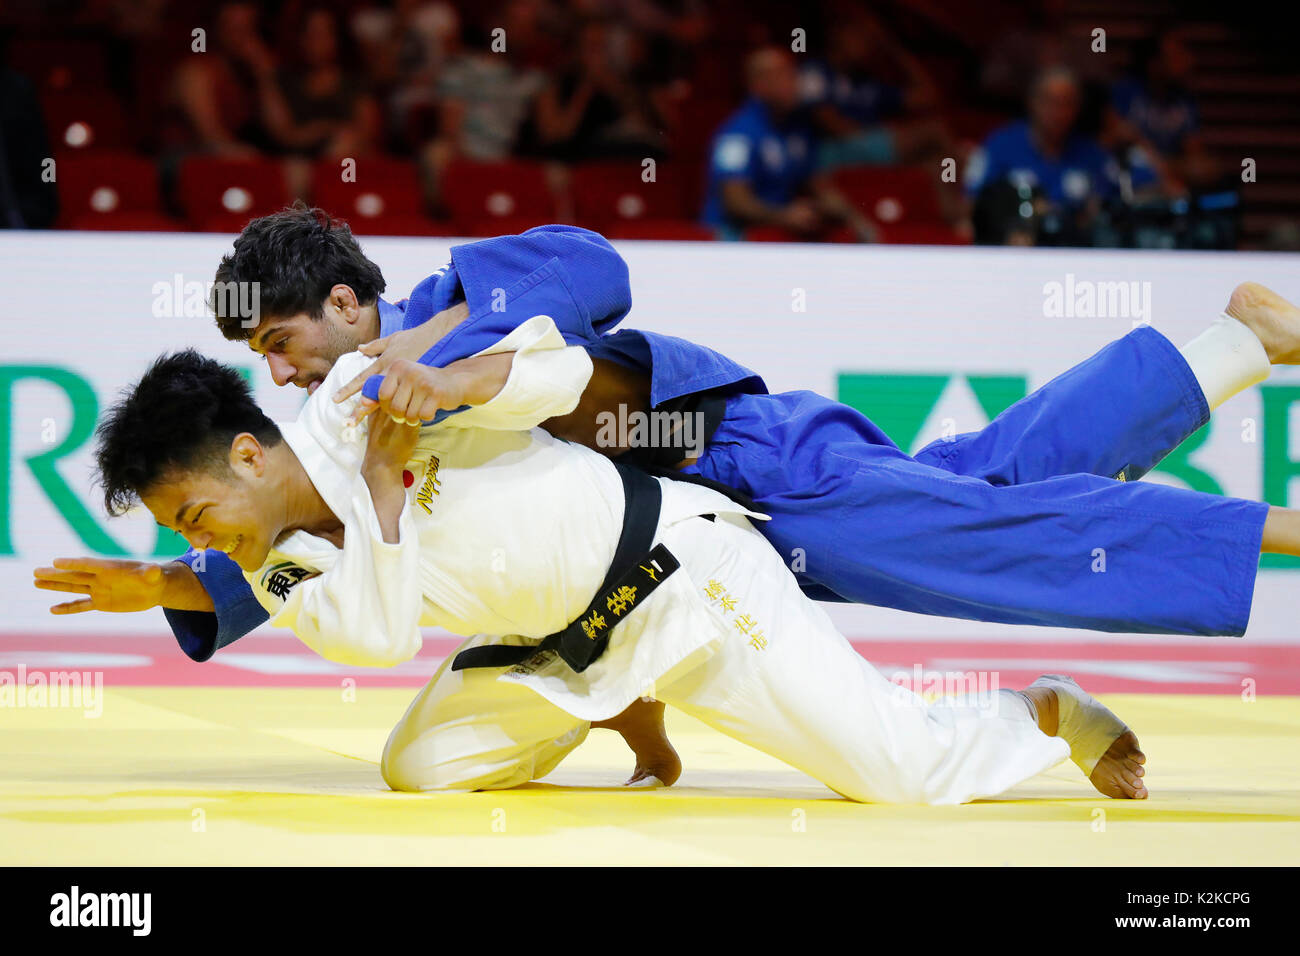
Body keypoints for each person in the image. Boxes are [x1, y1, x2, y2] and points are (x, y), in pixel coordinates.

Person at [34, 208, 1300, 656]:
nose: (278, 369)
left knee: (982, 532)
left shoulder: (434, 312)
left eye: (280, 339)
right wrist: (166, 577)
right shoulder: (332, 418)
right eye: (261, 358)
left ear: (350, 297)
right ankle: (1233, 342)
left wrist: (445, 347)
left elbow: (594, 262)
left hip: (738, 458)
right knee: (977, 488)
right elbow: (307, 531)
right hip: (715, 517)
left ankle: (1265, 531)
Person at [85, 343, 1146, 805]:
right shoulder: (282, 565)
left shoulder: (368, 394)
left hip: (683, 578)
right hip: (554, 644)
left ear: (248, 454)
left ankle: (1038, 713)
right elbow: (373, 635)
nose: (201, 539)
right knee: (421, 765)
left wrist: (456, 379)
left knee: (902, 778)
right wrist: (387, 495)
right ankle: (608, 705)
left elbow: (553, 365)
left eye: (194, 514)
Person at [701, 47, 874, 241]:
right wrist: (783, 216)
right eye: (782, 75)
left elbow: (819, 184)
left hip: (776, 237)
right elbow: (735, 201)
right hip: (732, 239)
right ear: (758, 85)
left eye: (793, 74)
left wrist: (854, 218)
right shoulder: (736, 135)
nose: (793, 82)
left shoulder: (798, 129)